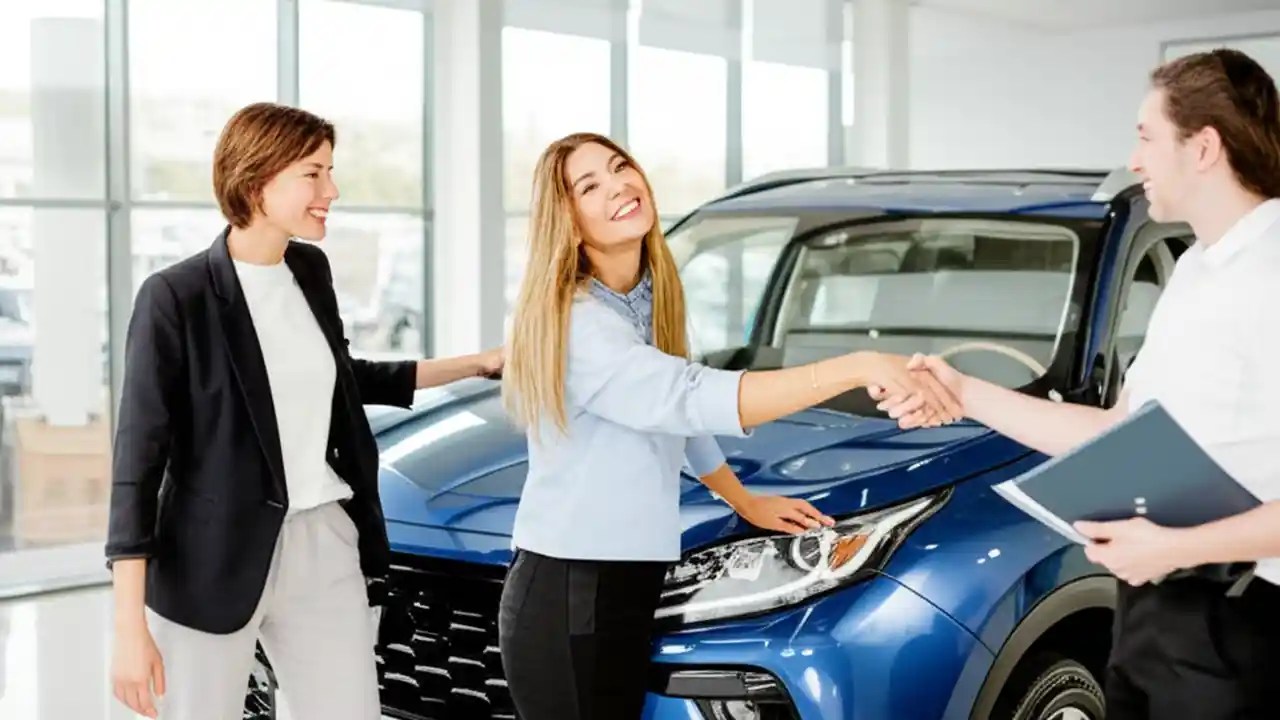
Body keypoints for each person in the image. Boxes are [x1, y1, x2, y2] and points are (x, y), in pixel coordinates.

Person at [496, 132, 963, 720]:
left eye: (620, 167)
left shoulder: (642, 301)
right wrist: (856, 365)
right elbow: (688, 397)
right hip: (572, 596)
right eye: (589, 185)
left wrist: (742, 499)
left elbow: (677, 423)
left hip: (620, 588)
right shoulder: (581, 323)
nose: (618, 185)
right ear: (567, 220)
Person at [878, 49, 1280, 719]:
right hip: (1155, 611)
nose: (1135, 159)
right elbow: (1117, 430)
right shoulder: (1196, 273)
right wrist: (963, 391)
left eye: (1147, 136)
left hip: (1242, 622)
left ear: (1205, 146)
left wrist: (1177, 547)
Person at [105, 102, 503, 720]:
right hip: (211, 559)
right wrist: (129, 627)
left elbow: (345, 379)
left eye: (330, 171)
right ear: (257, 181)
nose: (332, 190)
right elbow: (137, 465)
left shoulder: (309, 271)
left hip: (323, 542)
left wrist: (475, 363)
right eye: (313, 173)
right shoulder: (174, 299)